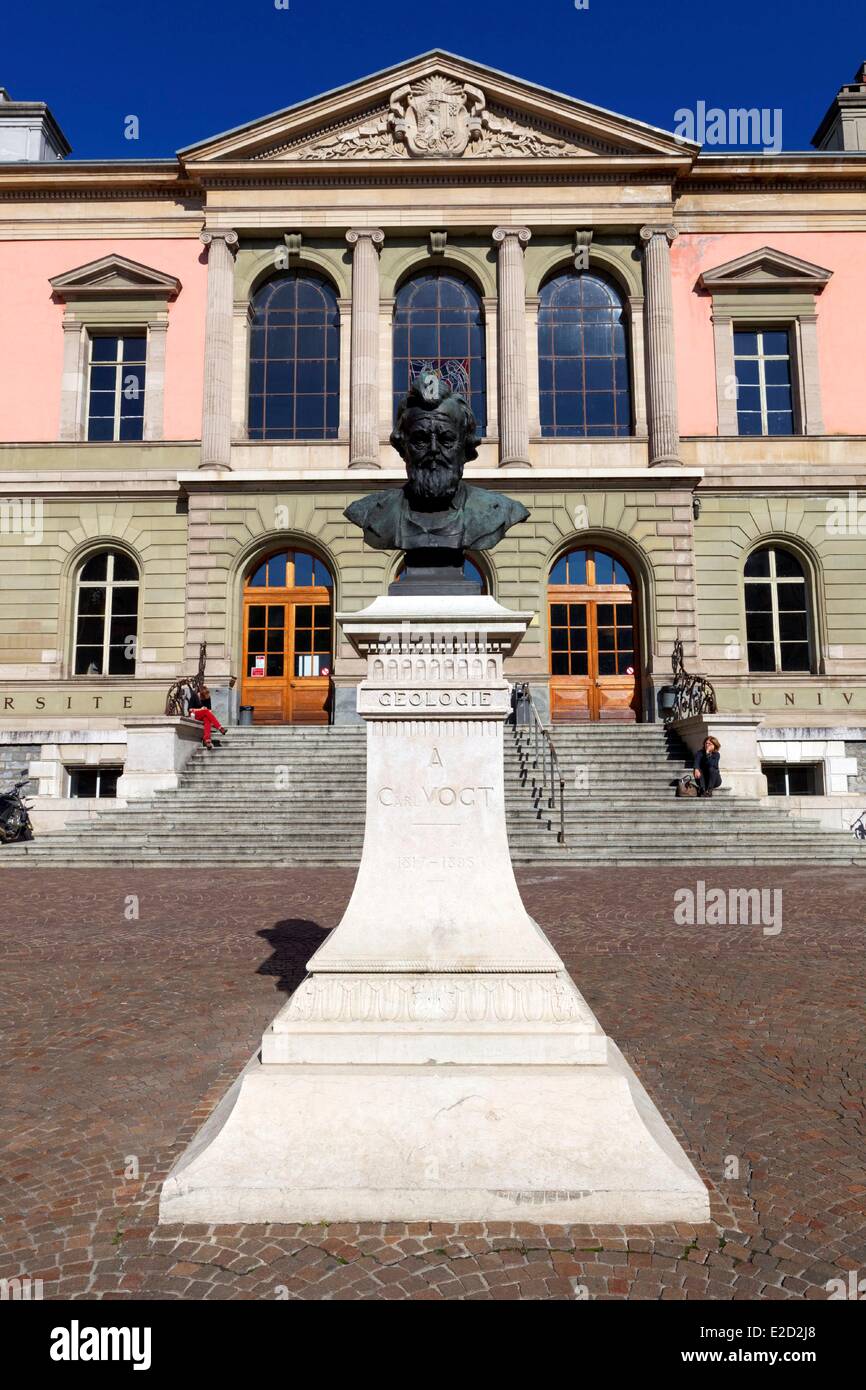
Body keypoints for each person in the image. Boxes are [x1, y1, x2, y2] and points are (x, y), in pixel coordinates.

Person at [187, 684, 227, 750]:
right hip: (194, 714)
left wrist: (206, 710)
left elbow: (210, 710)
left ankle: (207, 741)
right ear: (200, 694)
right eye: (203, 697)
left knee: (207, 720)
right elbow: (189, 709)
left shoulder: (207, 697)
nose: (205, 698)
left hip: (204, 715)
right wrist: (201, 709)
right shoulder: (194, 696)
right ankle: (220, 728)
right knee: (205, 712)